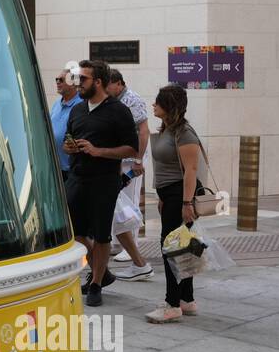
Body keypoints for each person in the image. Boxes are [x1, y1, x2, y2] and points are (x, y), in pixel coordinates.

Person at [62, 59, 139, 307]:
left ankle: (95, 283)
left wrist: (98, 151)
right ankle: (102, 271)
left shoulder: (118, 110)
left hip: (104, 181)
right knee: (74, 233)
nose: (78, 83)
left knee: (102, 234)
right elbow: (69, 137)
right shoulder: (78, 109)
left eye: (82, 79)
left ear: (98, 81)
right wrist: (69, 146)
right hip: (76, 177)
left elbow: (131, 147)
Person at [146, 84, 202, 323]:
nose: (153, 105)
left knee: (171, 246)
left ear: (168, 106)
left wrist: (186, 203)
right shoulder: (167, 130)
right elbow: (165, 167)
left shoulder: (184, 133)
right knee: (181, 245)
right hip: (169, 194)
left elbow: (190, 170)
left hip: (181, 194)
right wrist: (161, 196)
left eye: (157, 102)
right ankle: (186, 300)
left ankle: (171, 303)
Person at [106, 69, 153, 280]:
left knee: (131, 202)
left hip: (132, 158)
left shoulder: (133, 100)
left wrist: (138, 159)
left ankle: (131, 246)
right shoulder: (112, 101)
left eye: (108, 85)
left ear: (118, 83)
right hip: (117, 158)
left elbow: (143, 131)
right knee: (118, 201)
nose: (106, 90)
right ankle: (118, 241)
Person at [49, 64, 83, 182]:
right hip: (55, 168)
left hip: (72, 170)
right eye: (56, 79)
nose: (58, 82)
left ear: (73, 83)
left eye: (61, 80)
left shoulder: (81, 105)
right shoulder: (57, 104)